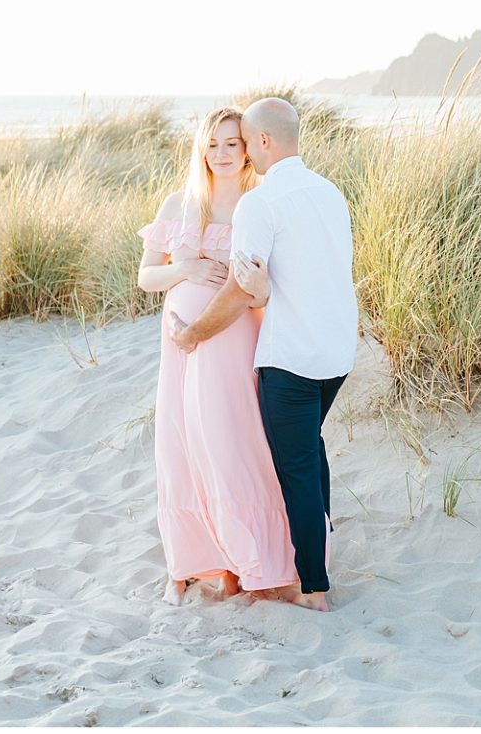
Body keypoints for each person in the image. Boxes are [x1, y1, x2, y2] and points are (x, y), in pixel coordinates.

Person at [170, 97, 358, 613]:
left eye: (246, 142)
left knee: (294, 467)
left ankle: (314, 588)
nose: (243, 153)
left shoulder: (261, 202)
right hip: (337, 352)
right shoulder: (330, 192)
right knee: (311, 451)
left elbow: (236, 290)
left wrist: (192, 335)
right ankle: (323, 539)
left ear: (265, 142)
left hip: (291, 357)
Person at [136, 107, 303, 605]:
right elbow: (147, 277)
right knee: (181, 443)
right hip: (179, 344)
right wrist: (183, 269)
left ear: (249, 147)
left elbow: (274, 287)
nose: (223, 154)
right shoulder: (179, 203)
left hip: (232, 341)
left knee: (231, 441)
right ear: (200, 149)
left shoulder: (261, 204)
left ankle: (247, 560)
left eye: (233, 143)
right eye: (213, 144)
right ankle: (190, 563)